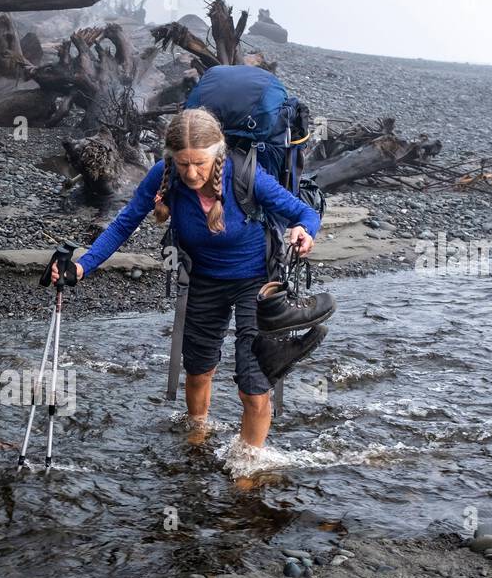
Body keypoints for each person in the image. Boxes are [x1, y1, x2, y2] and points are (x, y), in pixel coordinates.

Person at [48, 106, 325, 450]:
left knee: (251, 383)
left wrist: (304, 230)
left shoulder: (246, 175)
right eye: (183, 164)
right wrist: (82, 265)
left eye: (200, 164)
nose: (192, 173)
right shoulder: (164, 175)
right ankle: (198, 433)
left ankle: (249, 464)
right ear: (171, 158)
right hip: (204, 280)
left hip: (256, 282)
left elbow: (304, 212)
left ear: (218, 154)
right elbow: (124, 223)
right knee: (198, 369)